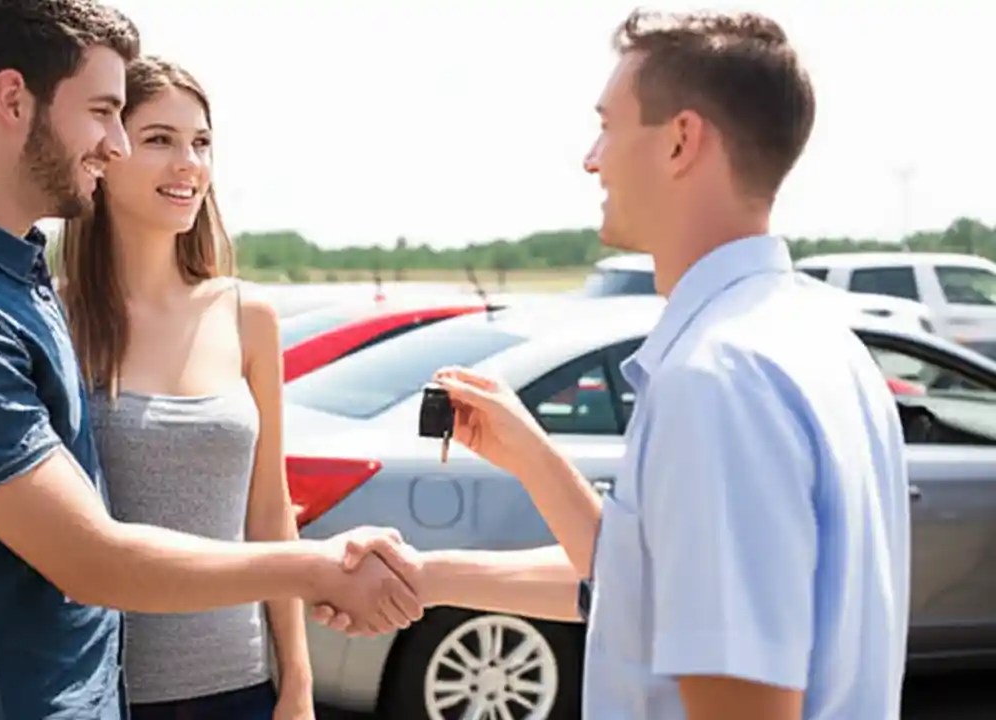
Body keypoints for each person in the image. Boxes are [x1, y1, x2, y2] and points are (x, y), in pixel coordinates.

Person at [317, 9, 911, 720]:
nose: (592, 157)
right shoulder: (822, 342)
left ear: (681, 142)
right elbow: (641, 582)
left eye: (609, 124)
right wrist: (515, 480)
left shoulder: (716, 379)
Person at [0, 3, 418, 719]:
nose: (117, 146)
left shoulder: (13, 285)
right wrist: (323, 570)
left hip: (179, 687)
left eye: (199, 141)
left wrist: (295, 679)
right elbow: (89, 557)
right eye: (109, 116)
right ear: (12, 99)